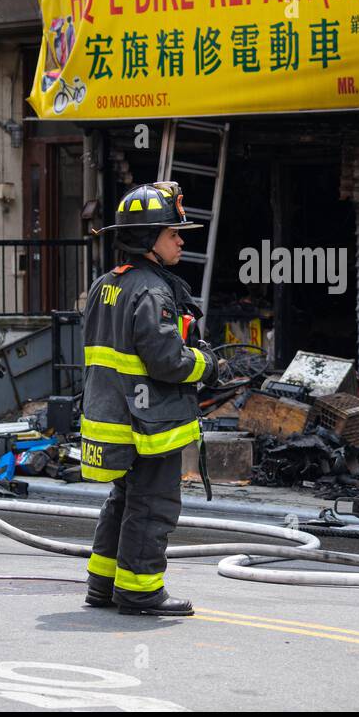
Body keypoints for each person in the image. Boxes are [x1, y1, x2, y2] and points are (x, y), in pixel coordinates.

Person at [80, 181, 220, 616]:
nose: (181, 240)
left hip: (113, 417)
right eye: (172, 233)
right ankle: (140, 591)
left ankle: (103, 586)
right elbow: (166, 362)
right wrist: (208, 365)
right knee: (152, 505)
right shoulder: (154, 291)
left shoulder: (107, 284)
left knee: (122, 501)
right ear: (148, 239)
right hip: (149, 424)